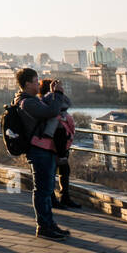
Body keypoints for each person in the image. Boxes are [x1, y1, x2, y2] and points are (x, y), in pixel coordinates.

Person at [16, 67, 73, 240]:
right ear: (27, 83)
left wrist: (54, 94)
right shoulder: (26, 102)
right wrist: (56, 94)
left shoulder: (33, 100)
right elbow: (52, 111)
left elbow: (58, 107)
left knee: (47, 189)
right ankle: (43, 226)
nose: (37, 84)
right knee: (42, 190)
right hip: (38, 151)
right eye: (35, 81)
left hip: (45, 150)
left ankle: (49, 224)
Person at [40, 77, 81, 209]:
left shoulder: (57, 106)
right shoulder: (48, 105)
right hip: (53, 145)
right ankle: (55, 199)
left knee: (63, 170)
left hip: (62, 145)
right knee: (52, 171)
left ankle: (64, 197)